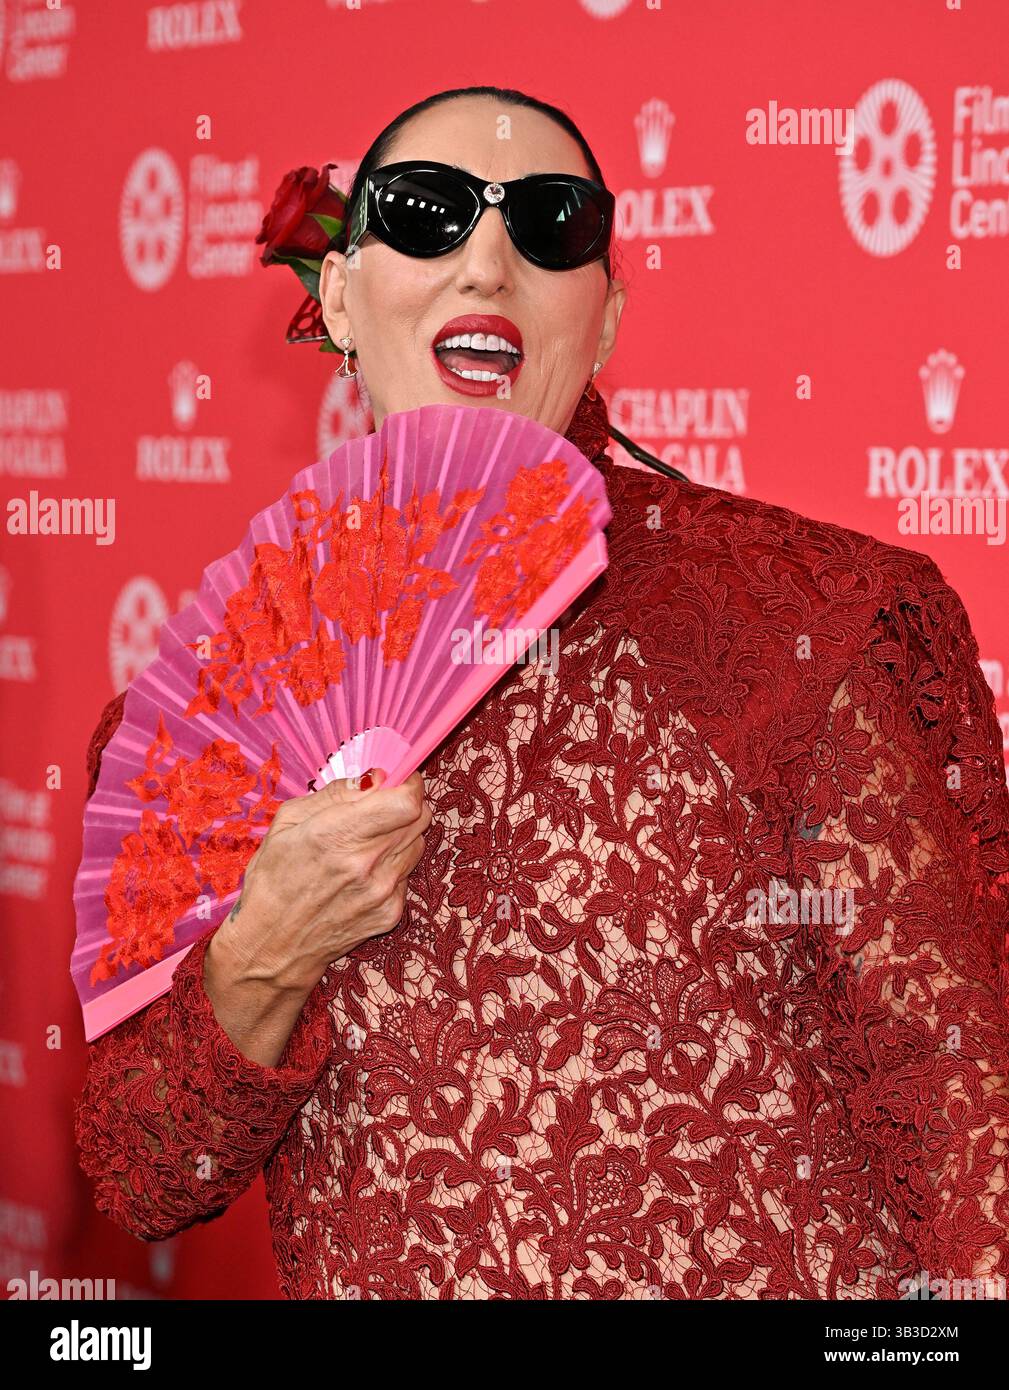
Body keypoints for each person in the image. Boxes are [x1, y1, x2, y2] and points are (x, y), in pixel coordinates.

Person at [75, 85, 1009, 1301]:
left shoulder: (811, 619)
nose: (486, 257)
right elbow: (148, 1178)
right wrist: (264, 950)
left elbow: (968, 1135)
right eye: (424, 213)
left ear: (606, 313)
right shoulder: (219, 699)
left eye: (552, 224)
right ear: (339, 299)